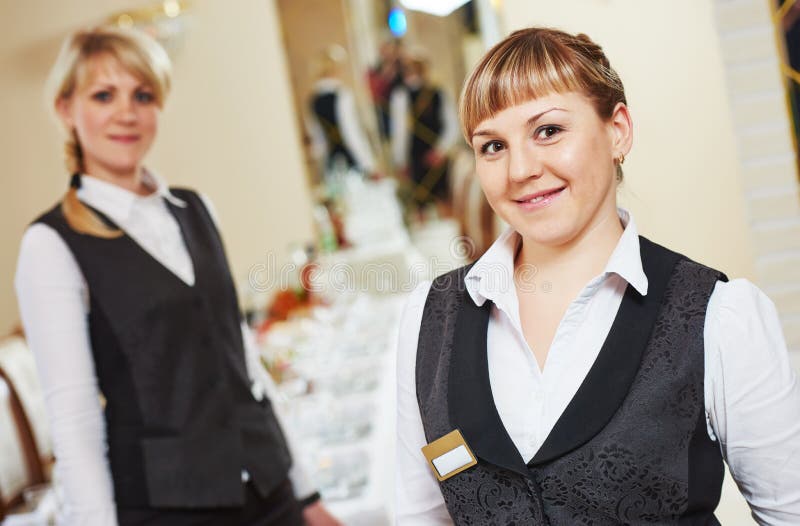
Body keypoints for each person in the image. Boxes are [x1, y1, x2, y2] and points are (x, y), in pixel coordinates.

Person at [395, 27, 800, 524]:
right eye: (493, 146)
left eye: (548, 131)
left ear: (618, 130)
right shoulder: (429, 318)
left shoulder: (721, 315)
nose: (520, 168)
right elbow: (421, 517)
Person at [15, 26, 340, 526]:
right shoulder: (51, 244)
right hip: (170, 510)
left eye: (142, 96)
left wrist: (305, 492)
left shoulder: (196, 208)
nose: (127, 113)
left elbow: (244, 363)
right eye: (104, 95)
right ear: (65, 110)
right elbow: (75, 423)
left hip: (271, 491)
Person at [389, 51, 459, 218]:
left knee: (433, 202)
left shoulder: (435, 92)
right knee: (430, 201)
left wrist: (441, 150)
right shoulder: (403, 96)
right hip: (425, 156)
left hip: (427, 156)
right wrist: (402, 160)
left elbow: (452, 125)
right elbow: (399, 133)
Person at [306, 44, 378, 179]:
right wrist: (369, 165)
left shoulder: (313, 100)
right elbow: (351, 132)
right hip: (352, 163)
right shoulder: (342, 96)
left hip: (331, 165)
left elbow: (318, 142)